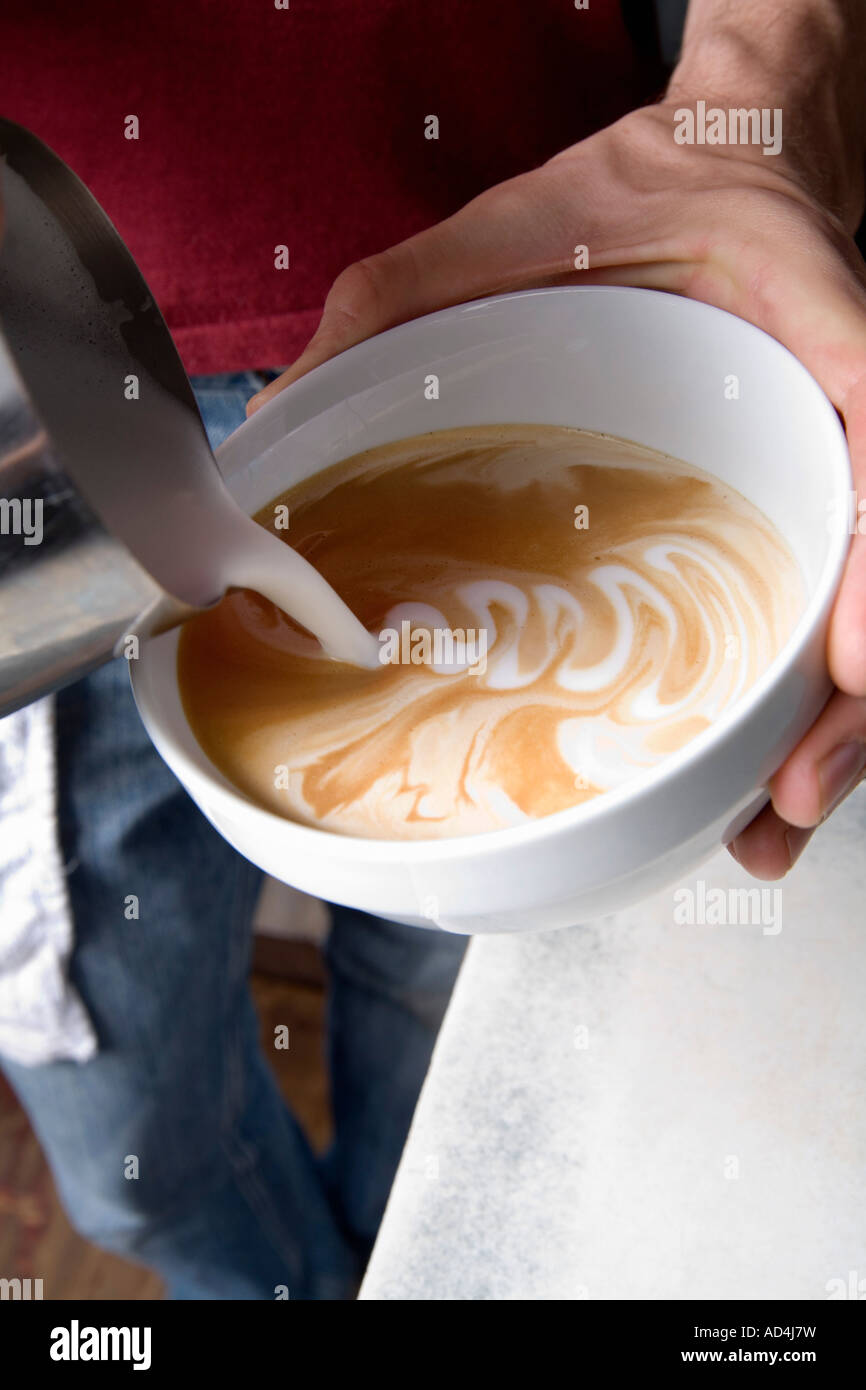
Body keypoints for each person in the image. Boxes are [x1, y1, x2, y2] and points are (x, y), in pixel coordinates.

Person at [1, 0, 864, 1299]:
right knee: (133, 1148)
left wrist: (757, 93)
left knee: (437, 1037)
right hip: (54, 407)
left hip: (555, 269)